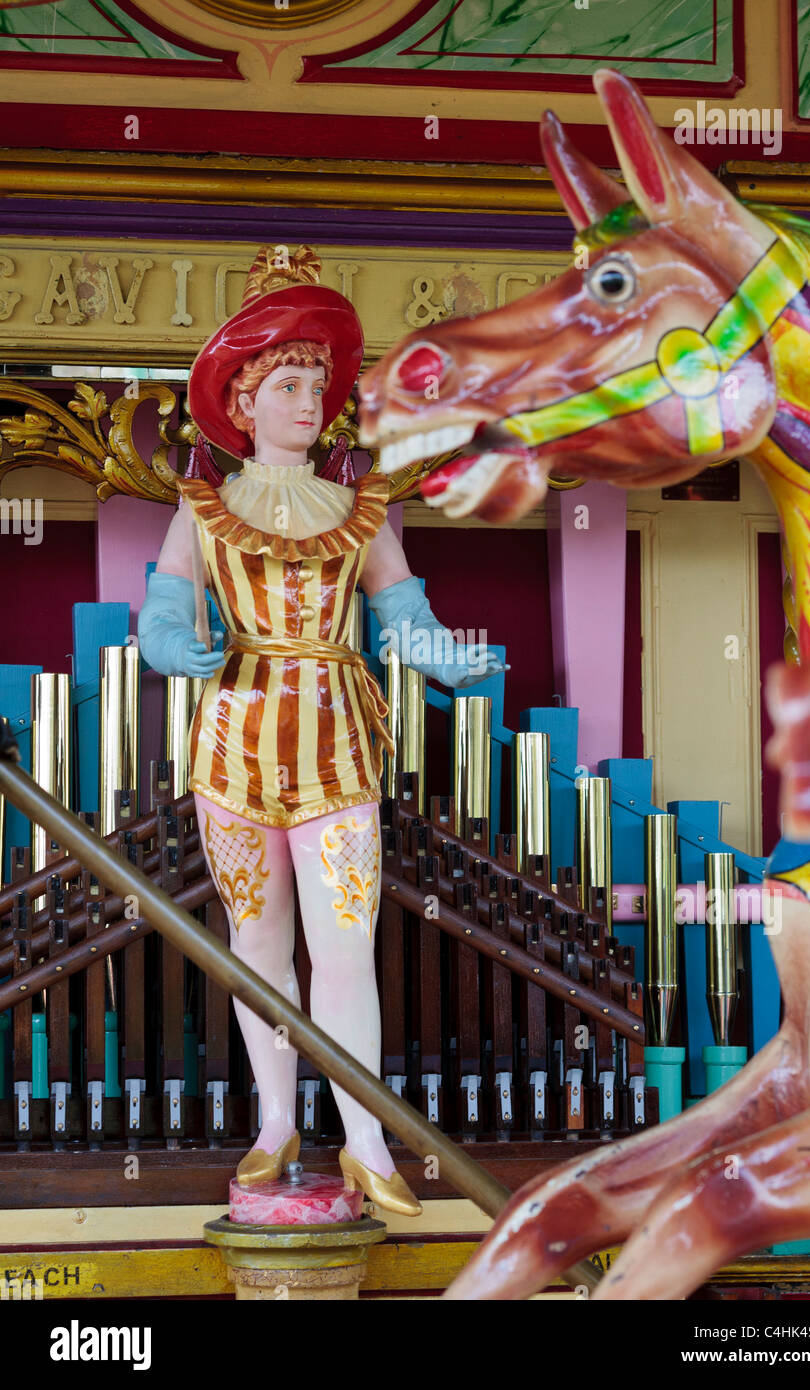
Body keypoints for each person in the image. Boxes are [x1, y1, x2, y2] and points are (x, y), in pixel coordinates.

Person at [138, 245, 501, 1213]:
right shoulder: (203, 504)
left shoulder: (361, 505)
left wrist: (448, 655)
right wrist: (174, 643)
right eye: (291, 382)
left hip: (337, 743)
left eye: (321, 383)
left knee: (344, 948)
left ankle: (365, 1137)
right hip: (234, 743)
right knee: (253, 945)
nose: (312, 400)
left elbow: (406, 620)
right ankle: (274, 1122)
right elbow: (165, 607)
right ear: (243, 400)